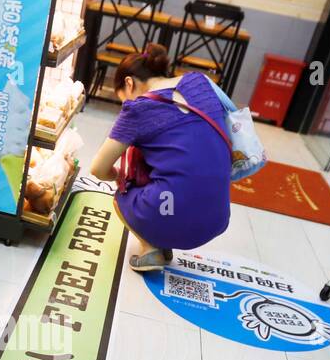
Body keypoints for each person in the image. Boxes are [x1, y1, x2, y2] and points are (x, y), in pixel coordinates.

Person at [89, 43, 232, 272]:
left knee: (122, 195)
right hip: (217, 219)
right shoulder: (199, 82)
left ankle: (151, 248)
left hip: (172, 213)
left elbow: (98, 168)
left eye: (123, 99)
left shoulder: (139, 108)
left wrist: (117, 175)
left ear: (129, 83)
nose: (126, 105)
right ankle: (164, 233)